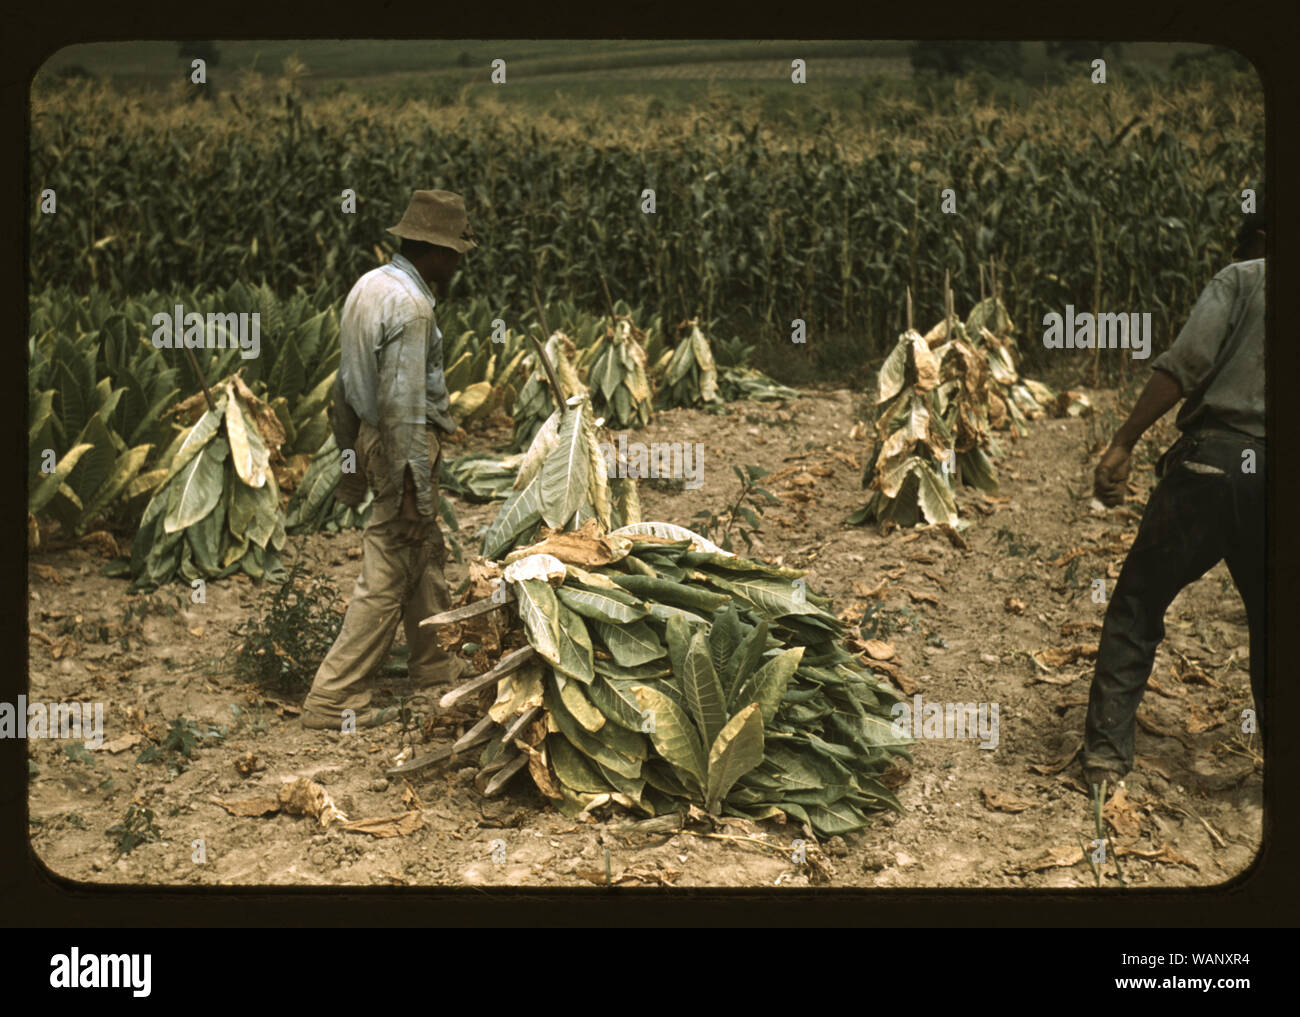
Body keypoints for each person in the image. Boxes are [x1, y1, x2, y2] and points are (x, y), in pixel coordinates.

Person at [1081, 207, 1266, 790]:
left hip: (1214, 465)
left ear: (1262, 237)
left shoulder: (1243, 278)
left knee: (1137, 604)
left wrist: (1123, 441)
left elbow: (1183, 366)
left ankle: (1107, 758)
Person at [301, 190, 477, 731]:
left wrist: (350, 454)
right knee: (390, 561)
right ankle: (334, 698)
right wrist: (411, 486)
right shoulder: (412, 306)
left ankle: (433, 663)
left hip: (379, 440)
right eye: (454, 252)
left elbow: (344, 382)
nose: (457, 264)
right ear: (434, 251)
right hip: (405, 445)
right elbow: (401, 406)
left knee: (425, 549)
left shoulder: (370, 286)